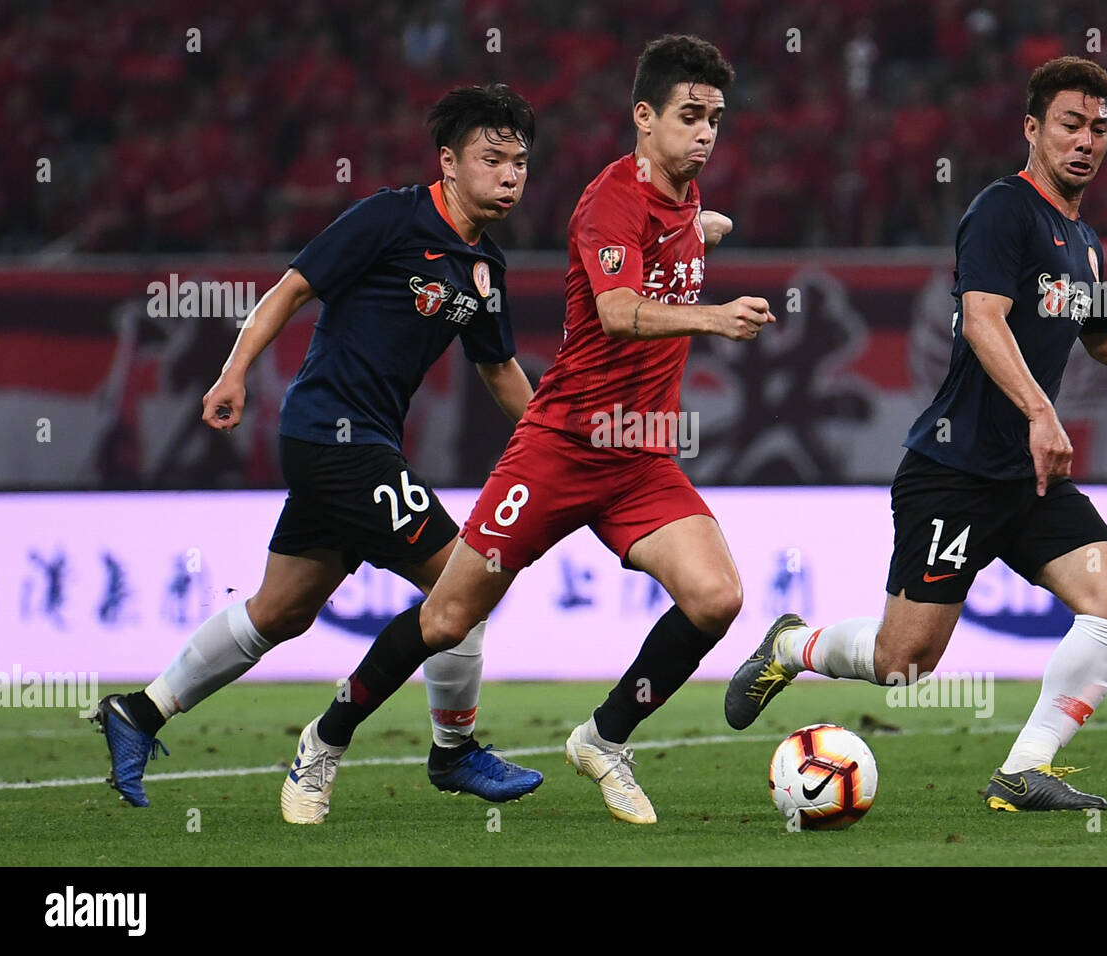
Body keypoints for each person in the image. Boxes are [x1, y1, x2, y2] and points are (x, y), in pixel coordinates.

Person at [725, 57, 1107, 812]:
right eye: (1070, 125)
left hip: (1028, 478)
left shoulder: (1081, 241)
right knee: (903, 664)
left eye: (1100, 128)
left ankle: (1024, 771)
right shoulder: (1001, 210)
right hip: (956, 468)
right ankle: (792, 645)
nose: (1086, 141)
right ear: (1033, 129)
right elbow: (983, 318)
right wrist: (1044, 414)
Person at [292, 33, 772, 825]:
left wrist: (702, 230)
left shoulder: (683, 200)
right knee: (449, 616)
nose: (707, 131)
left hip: (639, 455)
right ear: (643, 118)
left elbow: (679, 236)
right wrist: (713, 317)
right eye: (690, 115)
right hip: (560, 446)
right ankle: (326, 737)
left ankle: (604, 737)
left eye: (716, 116)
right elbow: (617, 313)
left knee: (716, 598)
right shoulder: (610, 200)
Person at [91, 84, 545, 821]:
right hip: (335, 436)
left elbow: (497, 370)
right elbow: (294, 286)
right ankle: (438, 752)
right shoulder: (391, 216)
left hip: (353, 445)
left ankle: (138, 713)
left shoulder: (484, 268)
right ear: (449, 163)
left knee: (279, 612)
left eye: (520, 163)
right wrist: (234, 370)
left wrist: (553, 446)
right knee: (470, 582)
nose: (509, 175)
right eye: (491, 159)